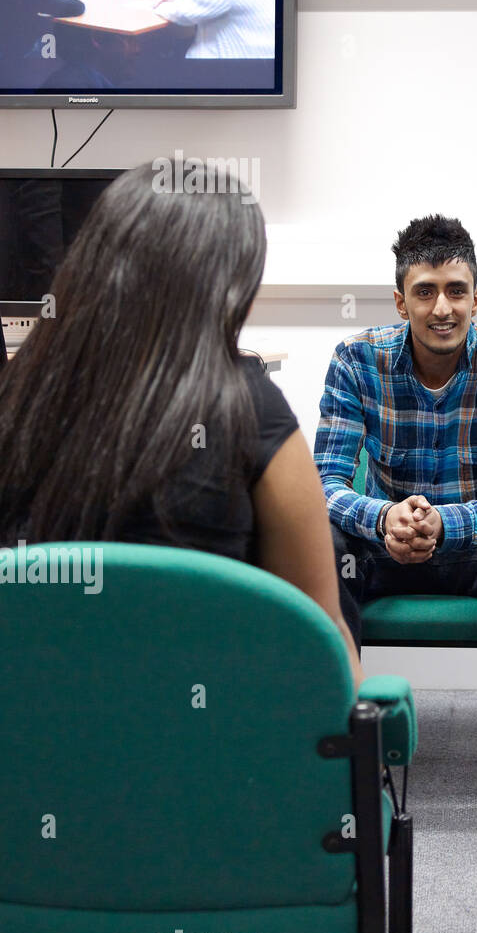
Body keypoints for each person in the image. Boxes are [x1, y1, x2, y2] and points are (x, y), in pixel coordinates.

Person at [0, 161, 363, 692]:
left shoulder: (17, 402)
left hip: (31, 754)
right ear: (229, 286)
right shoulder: (253, 409)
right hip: (211, 755)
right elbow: (316, 634)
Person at [315, 213, 477, 843]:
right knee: (327, 542)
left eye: (457, 290)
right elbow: (321, 483)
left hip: (474, 550)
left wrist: (449, 523)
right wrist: (381, 516)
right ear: (401, 301)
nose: (442, 307)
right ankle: (342, 748)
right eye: (425, 291)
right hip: (383, 546)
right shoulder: (356, 359)